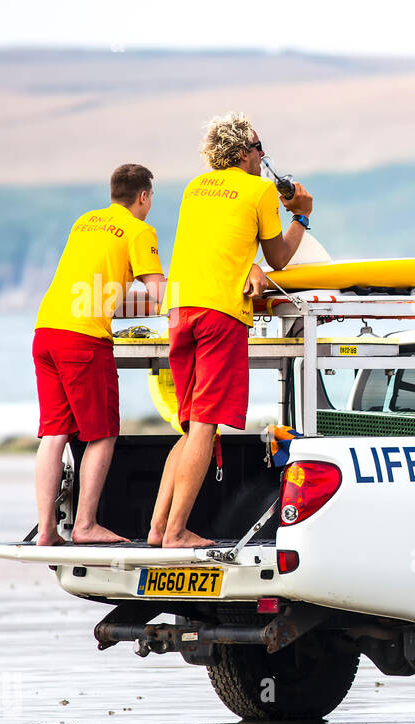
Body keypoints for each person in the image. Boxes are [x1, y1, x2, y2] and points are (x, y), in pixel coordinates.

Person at [149, 112, 313, 548]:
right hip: (221, 312)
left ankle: (157, 526)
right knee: (205, 425)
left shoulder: (194, 187)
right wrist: (302, 217)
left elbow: (220, 242)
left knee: (189, 428)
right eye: (260, 150)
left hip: (180, 310)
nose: (263, 158)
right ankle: (178, 532)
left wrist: (249, 261)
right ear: (244, 152)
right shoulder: (258, 189)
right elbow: (280, 258)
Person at [33, 164, 166, 545]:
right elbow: (159, 292)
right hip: (83, 341)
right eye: (150, 198)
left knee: (55, 432)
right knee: (104, 433)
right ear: (144, 196)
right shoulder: (141, 231)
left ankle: (46, 530)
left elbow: (94, 283)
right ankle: (85, 525)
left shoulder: (86, 221)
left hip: (46, 331)